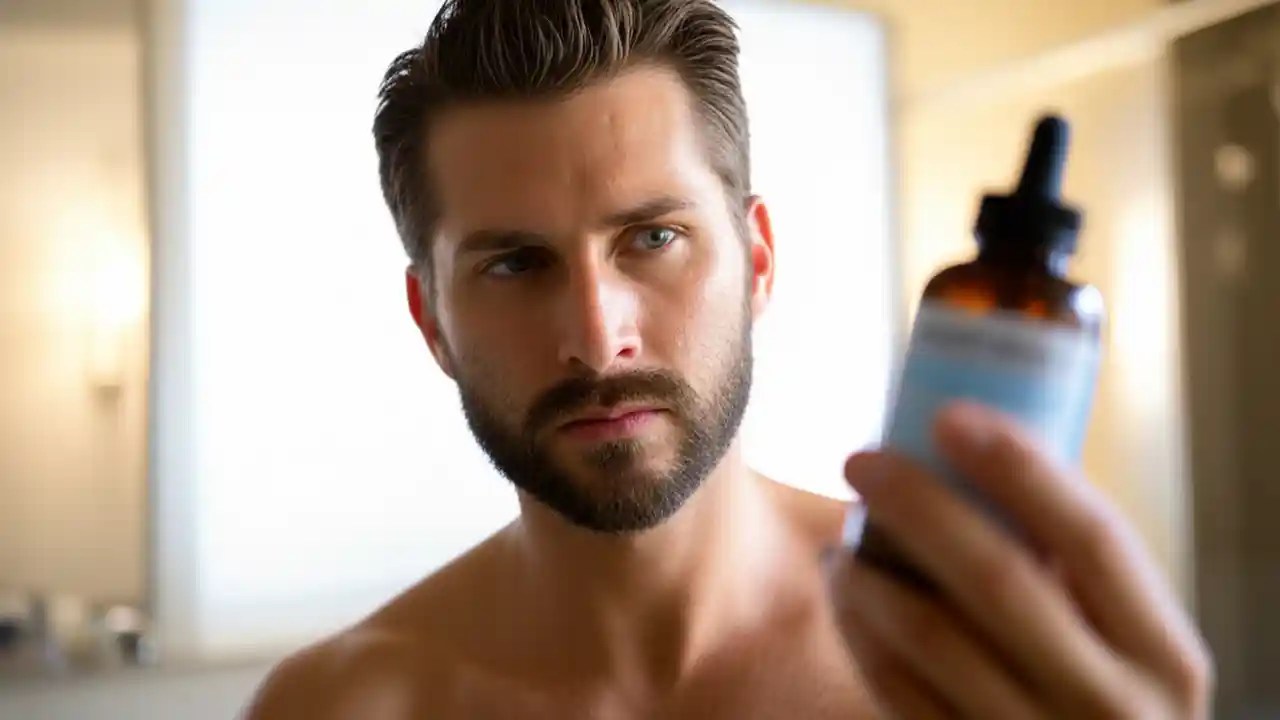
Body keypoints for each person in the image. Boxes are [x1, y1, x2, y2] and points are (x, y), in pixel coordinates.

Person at [244, 1, 1212, 717]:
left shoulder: (965, 653)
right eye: (513, 263)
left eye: (652, 238)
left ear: (756, 261)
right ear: (432, 322)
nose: (596, 335)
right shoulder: (337, 705)